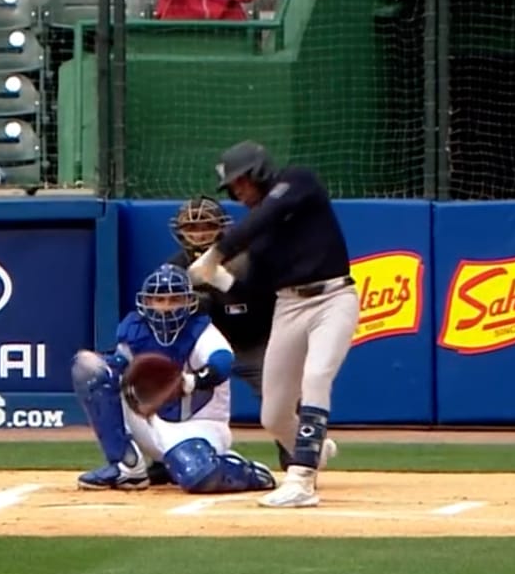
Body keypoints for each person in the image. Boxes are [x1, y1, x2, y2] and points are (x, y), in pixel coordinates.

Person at [191, 140, 357, 509]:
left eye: (241, 182)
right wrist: (215, 277)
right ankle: (314, 446)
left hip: (333, 298)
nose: (237, 192)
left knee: (316, 377)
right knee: (274, 414)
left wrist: (217, 253)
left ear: (260, 172)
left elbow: (268, 213)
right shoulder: (261, 238)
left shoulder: (298, 182)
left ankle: (301, 479)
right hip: (288, 306)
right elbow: (251, 290)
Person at [71, 264, 276, 495]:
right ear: (147, 302)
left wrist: (190, 382)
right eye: (160, 300)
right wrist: (112, 367)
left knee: (199, 476)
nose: (166, 308)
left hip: (198, 425)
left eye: (175, 299)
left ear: (189, 301)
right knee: (87, 366)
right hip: (149, 419)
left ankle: (249, 472)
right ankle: (126, 466)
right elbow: (120, 364)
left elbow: (222, 362)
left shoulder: (201, 330)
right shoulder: (134, 329)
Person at [161, 196, 306, 478]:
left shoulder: (247, 259)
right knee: (167, 388)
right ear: (180, 232)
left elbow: (271, 301)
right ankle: (164, 458)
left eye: (207, 225)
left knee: (285, 397)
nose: (199, 233)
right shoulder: (175, 268)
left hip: (255, 341)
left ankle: (299, 464)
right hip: (204, 345)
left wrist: (228, 288)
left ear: (221, 228)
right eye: (192, 227)